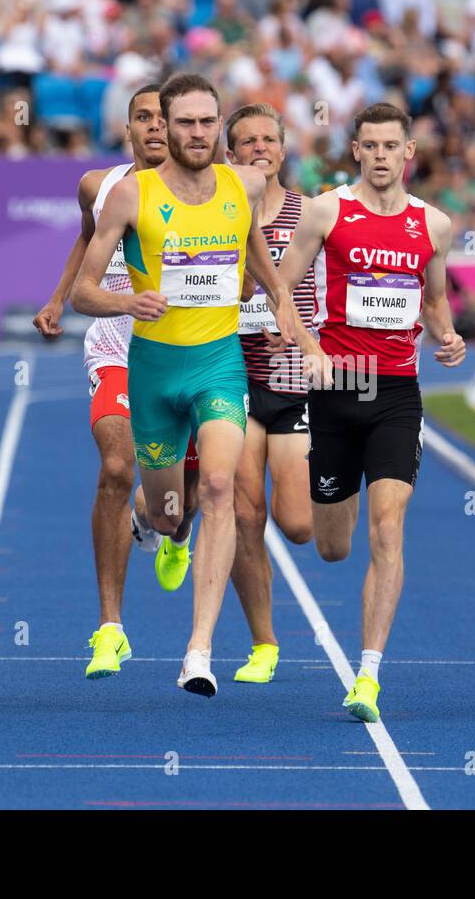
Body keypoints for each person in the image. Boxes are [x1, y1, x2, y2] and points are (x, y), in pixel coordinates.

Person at [70, 73, 325, 697]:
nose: (194, 133)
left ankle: (199, 650)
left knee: (219, 487)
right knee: (165, 510)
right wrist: (127, 305)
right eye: (182, 122)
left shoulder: (241, 187)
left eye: (206, 122)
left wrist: (297, 326)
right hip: (153, 371)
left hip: (218, 365)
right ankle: (161, 526)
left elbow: (265, 267)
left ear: (219, 127)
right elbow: (83, 289)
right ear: (165, 125)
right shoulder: (132, 195)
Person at [278, 102, 466, 722]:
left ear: (409, 152)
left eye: (392, 145)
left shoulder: (433, 225)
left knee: (390, 526)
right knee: (333, 545)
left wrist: (448, 336)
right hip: (336, 386)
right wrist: (308, 349)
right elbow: (280, 291)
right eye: (371, 146)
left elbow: (434, 303)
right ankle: (337, 504)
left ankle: (367, 676)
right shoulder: (326, 211)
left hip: (395, 393)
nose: (382, 155)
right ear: (355, 150)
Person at [31, 84, 201, 679]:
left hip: (188, 354)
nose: (156, 126)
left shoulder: (213, 188)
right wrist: (58, 298)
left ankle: (174, 531)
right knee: (116, 469)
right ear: (126, 128)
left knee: (178, 500)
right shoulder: (97, 186)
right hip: (116, 348)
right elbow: (89, 236)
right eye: (143, 117)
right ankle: (110, 628)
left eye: (165, 117)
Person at [223, 103, 316, 685]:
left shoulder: (314, 213)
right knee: (242, 512)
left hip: (294, 383)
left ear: (283, 150)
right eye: (246, 141)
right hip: (233, 375)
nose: (259, 148)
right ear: (230, 155)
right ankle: (264, 643)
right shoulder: (214, 215)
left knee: (299, 524)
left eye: (268, 140)